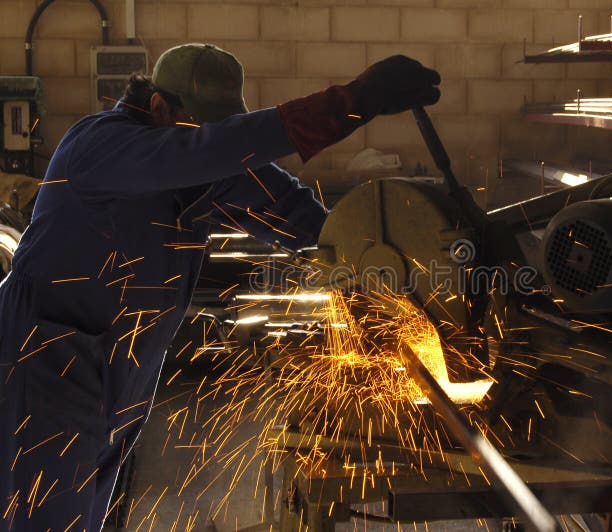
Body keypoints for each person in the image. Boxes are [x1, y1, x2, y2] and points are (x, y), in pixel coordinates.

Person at [0, 43, 440, 530]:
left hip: (121, 370)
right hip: (42, 356)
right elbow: (213, 150)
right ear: (159, 106)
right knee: (42, 513)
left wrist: (374, 261)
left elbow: (295, 212)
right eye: (200, 128)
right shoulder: (101, 145)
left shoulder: (202, 164)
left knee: (82, 512)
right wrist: (350, 103)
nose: (211, 142)